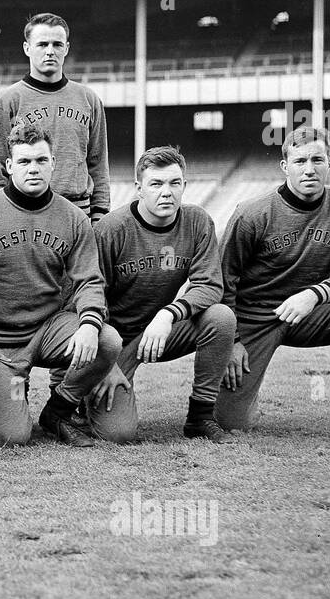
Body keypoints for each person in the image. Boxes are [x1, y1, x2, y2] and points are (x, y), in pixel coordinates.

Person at [0, 123, 121, 448]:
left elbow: (89, 280)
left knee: (106, 340)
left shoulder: (73, 217)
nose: (33, 168)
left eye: (41, 161)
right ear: (8, 166)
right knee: (13, 435)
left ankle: (58, 410)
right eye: (24, 161)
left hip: (48, 330)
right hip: (2, 344)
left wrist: (88, 323)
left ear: (53, 163)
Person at [216, 126, 330, 440]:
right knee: (229, 423)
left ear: (329, 162)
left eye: (317, 160)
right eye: (300, 161)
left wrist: (314, 294)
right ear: (284, 167)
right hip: (253, 320)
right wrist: (231, 342)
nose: (309, 169)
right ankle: (246, 394)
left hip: (307, 313)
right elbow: (224, 279)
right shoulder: (252, 213)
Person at [86, 145, 236, 443]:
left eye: (174, 183)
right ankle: (80, 390)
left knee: (220, 318)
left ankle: (200, 416)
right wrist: (106, 363)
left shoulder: (197, 221)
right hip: (115, 340)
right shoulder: (111, 229)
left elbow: (210, 285)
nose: (166, 192)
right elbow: (89, 295)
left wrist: (168, 314)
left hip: (160, 331)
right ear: (139, 188)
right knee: (118, 433)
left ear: (184, 186)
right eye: (156, 184)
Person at [0, 13, 110, 223]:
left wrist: (100, 215)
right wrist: (3, 217)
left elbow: (98, 165)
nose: (50, 51)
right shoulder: (7, 100)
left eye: (57, 44)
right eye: (42, 44)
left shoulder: (88, 99)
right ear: (27, 48)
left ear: (67, 48)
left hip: (78, 212)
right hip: (23, 213)